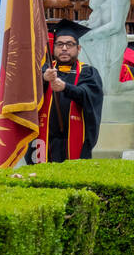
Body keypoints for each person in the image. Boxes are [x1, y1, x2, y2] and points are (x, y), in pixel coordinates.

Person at [43, 19, 104, 162]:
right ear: (54, 48)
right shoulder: (45, 70)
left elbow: (88, 95)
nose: (64, 48)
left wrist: (65, 87)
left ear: (78, 48)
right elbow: (28, 94)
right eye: (59, 44)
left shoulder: (88, 72)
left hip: (76, 139)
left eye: (70, 44)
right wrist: (43, 79)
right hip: (44, 140)